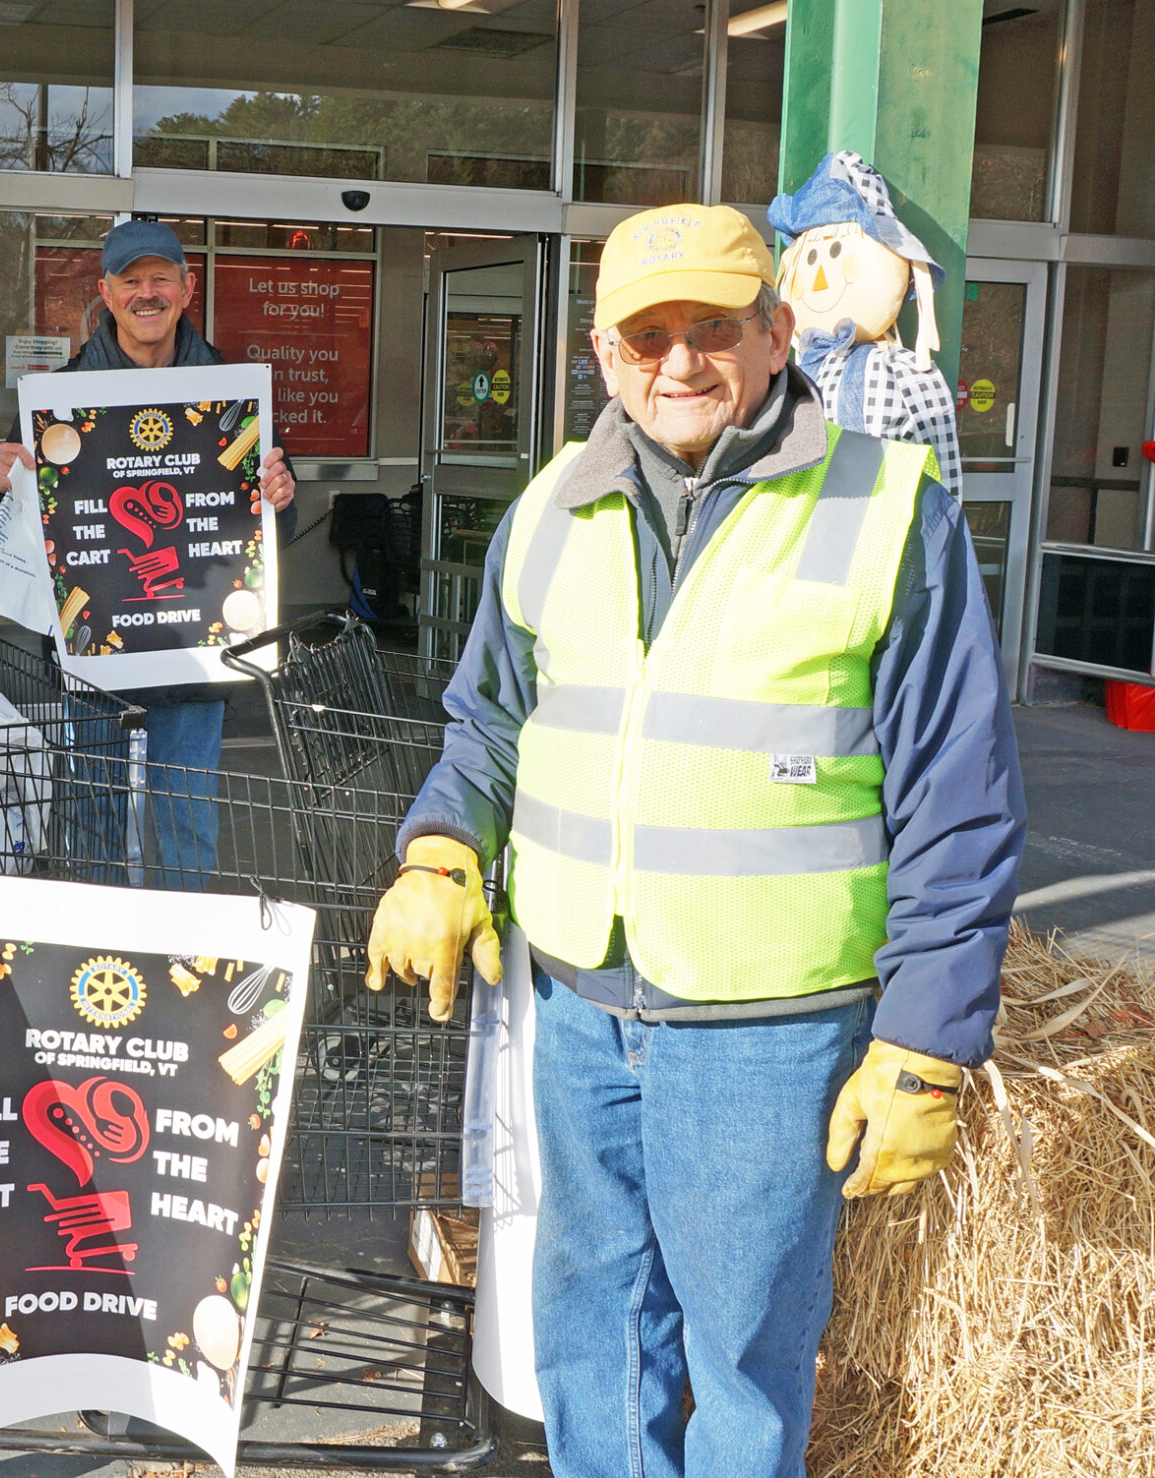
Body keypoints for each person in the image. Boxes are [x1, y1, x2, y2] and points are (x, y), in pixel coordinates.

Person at [365, 205, 1025, 1478]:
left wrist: (924, 1038)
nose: (679, 364)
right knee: (591, 1324)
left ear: (775, 335)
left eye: (711, 329)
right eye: (646, 336)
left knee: (739, 1354)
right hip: (577, 1003)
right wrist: (441, 846)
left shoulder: (890, 509)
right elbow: (488, 718)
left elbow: (957, 793)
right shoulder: (549, 503)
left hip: (767, 1024)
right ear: (602, 357)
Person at [0, 218, 298, 883]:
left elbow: (269, 538)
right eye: (131, 280)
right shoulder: (57, 406)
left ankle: (182, 969)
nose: (145, 294)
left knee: (187, 826)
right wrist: (3, 487)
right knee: (91, 826)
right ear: (106, 291)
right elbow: (8, 534)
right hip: (96, 663)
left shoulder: (232, 402)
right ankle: (103, 964)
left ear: (188, 288)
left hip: (194, 660)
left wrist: (281, 495)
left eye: (160, 279)